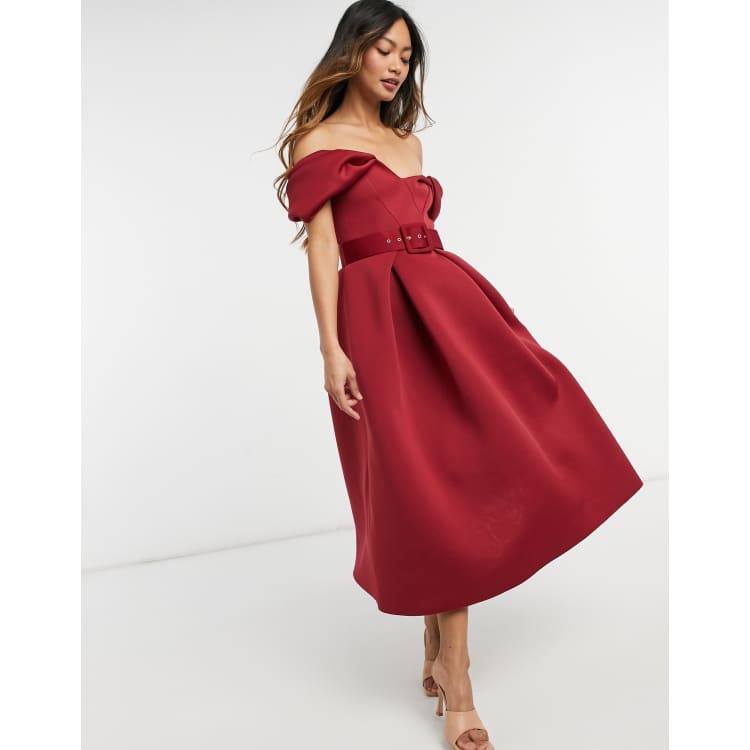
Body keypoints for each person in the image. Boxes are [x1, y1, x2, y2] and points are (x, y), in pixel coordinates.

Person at [274, 2, 644, 748]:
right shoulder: (321, 140)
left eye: (406, 56)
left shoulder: (408, 143)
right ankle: (456, 675)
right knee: (421, 482)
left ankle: (449, 661)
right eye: (384, 49)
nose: (396, 65)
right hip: (378, 325)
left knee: (476, 460)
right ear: (352, 50)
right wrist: (330, 349)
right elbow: (324, 249)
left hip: (449, 310)